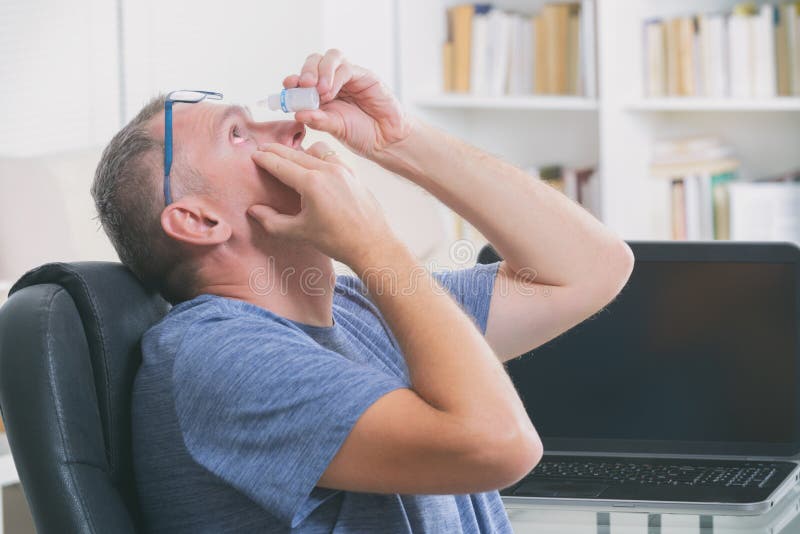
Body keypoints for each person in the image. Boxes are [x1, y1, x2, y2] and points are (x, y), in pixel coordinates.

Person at [91, 50, 634, 533]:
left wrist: (400, 139)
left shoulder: (358, 308)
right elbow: (502, 445)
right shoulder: (215, 356)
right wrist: (372, 244)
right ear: (199, 221)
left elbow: (593, 268)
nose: (291, 127)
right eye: (237, 134)